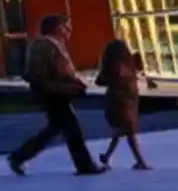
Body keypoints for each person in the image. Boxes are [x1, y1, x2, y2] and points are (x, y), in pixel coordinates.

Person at [7, 15, 103, 176]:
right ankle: (85, 166)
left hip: (57, 93)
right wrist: (65, 84)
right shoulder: (45, 46)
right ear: (58, 28)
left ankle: (19, 156)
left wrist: (74, 82)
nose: (69, 30)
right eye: (66, 27)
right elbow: (40, 74)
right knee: (72, 130)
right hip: (54, 94)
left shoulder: (54, 45)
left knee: (56, 129)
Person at [96, 39, 150, 170]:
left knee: (121, 130)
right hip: (126, 100)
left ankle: (107, 156)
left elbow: (101, 80)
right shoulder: (128, 64)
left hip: (118, 100)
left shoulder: (112, 66)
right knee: (128, 131)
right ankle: (140, 161)